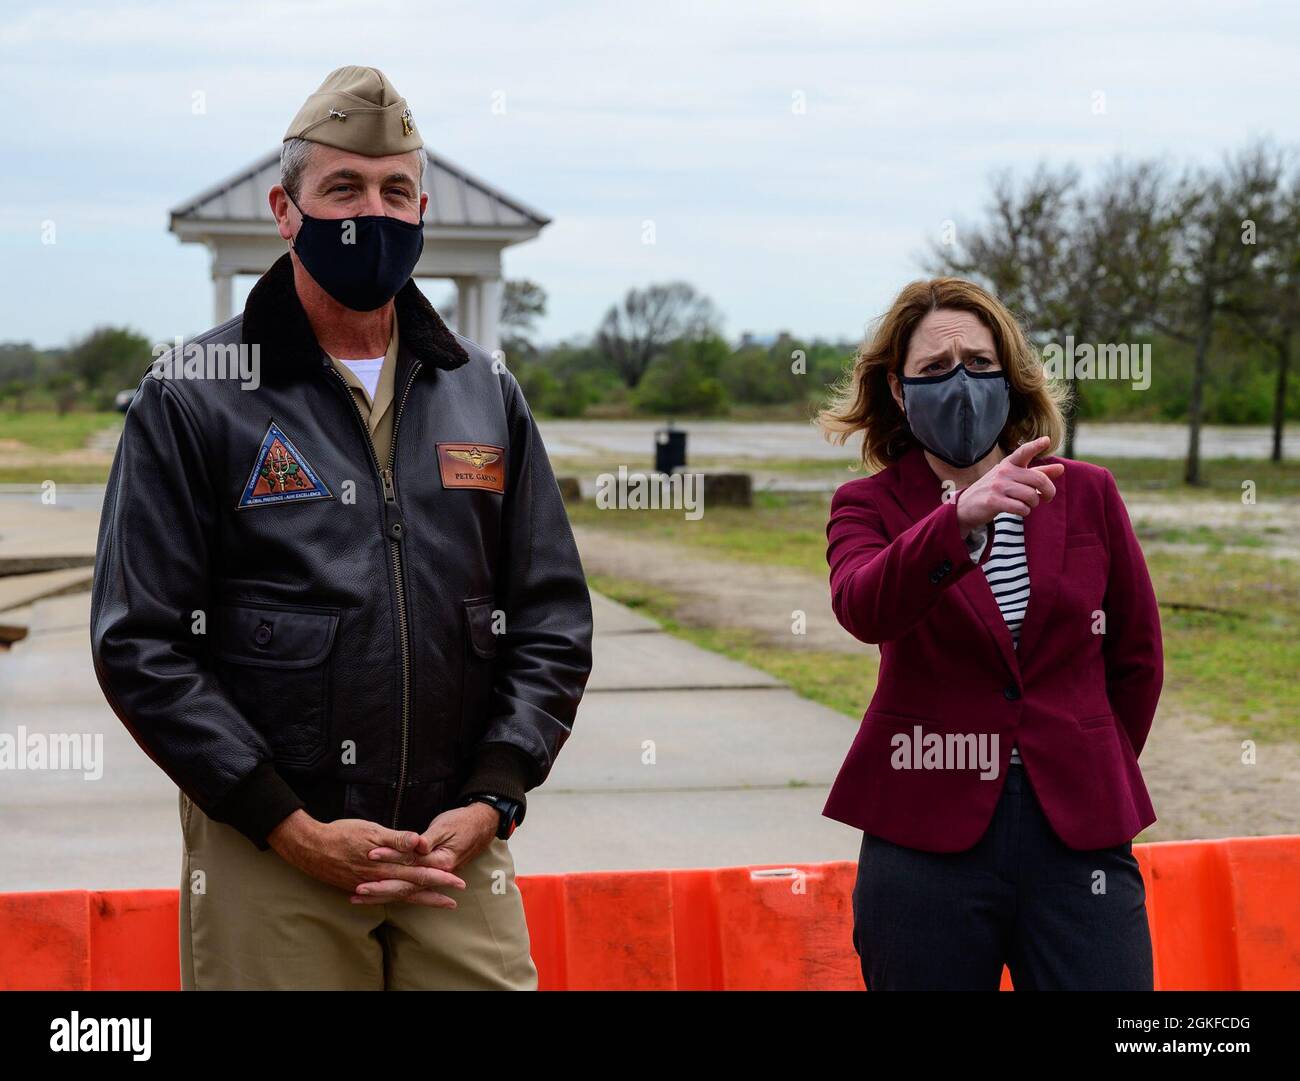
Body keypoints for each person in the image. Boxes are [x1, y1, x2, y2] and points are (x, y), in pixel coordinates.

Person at [89, 66, 593, 990]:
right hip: (275, 850)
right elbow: (142, 642)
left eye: (396, 189)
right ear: (286, 210)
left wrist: (496, 791)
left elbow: (552, 617)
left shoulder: (484, 391)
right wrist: (284, 820)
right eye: (344, 189)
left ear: (425, 208)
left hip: (453, 848)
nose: (374, 210)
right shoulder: (192, 397)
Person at [817, 277, 1161, 991]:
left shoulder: (1088, 490)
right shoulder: (868, 505)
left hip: (1078, 834)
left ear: (1011, 373)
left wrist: (1086, 755)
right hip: (923, 834)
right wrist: (958, 519)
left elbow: (1136, 657)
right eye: (935, 370)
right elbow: (861, 606)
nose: (962, 384)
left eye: (979, 363)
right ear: (899, 389)